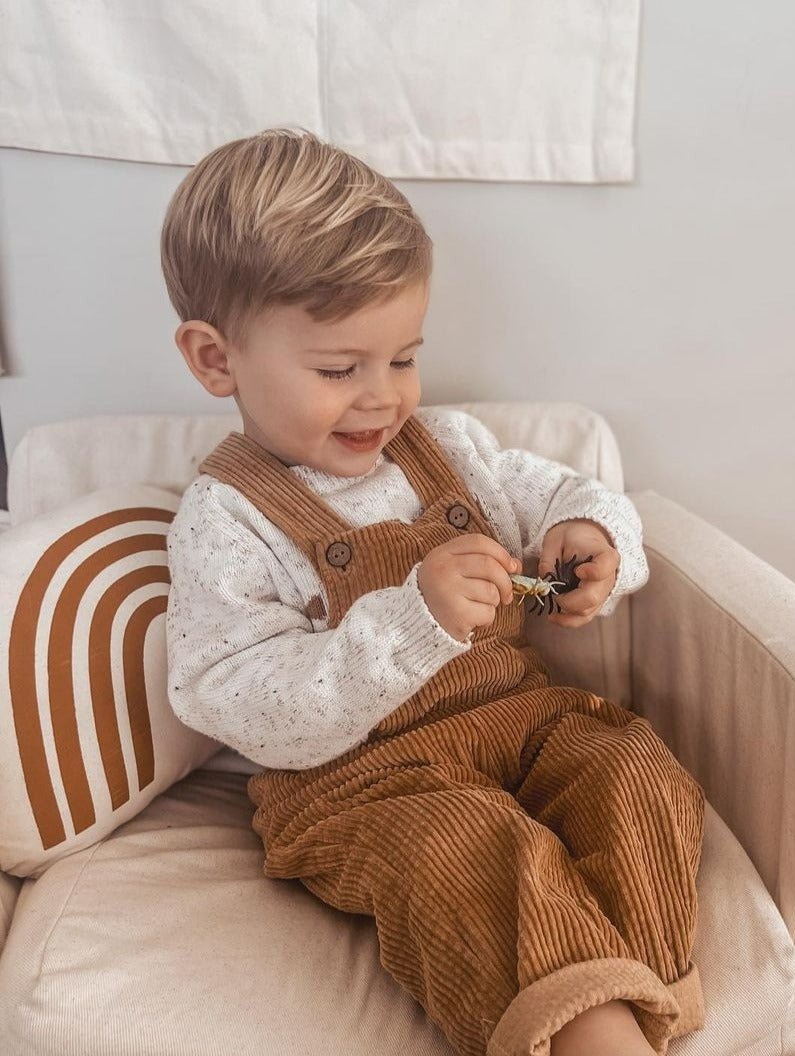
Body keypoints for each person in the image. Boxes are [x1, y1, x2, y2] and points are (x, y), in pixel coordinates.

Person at [160, 126, 707, 1056]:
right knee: (468, 844)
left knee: (634, 768)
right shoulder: (227, 518)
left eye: (402, 357)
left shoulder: (448, 449)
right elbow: (236, 701)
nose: (383, 397)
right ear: (217, 360)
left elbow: (568, 494)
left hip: (520, 724)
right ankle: (581, 1029)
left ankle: (630, 994)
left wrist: (593, 538)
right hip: (361, 782)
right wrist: (411, 620)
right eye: (340, 370)